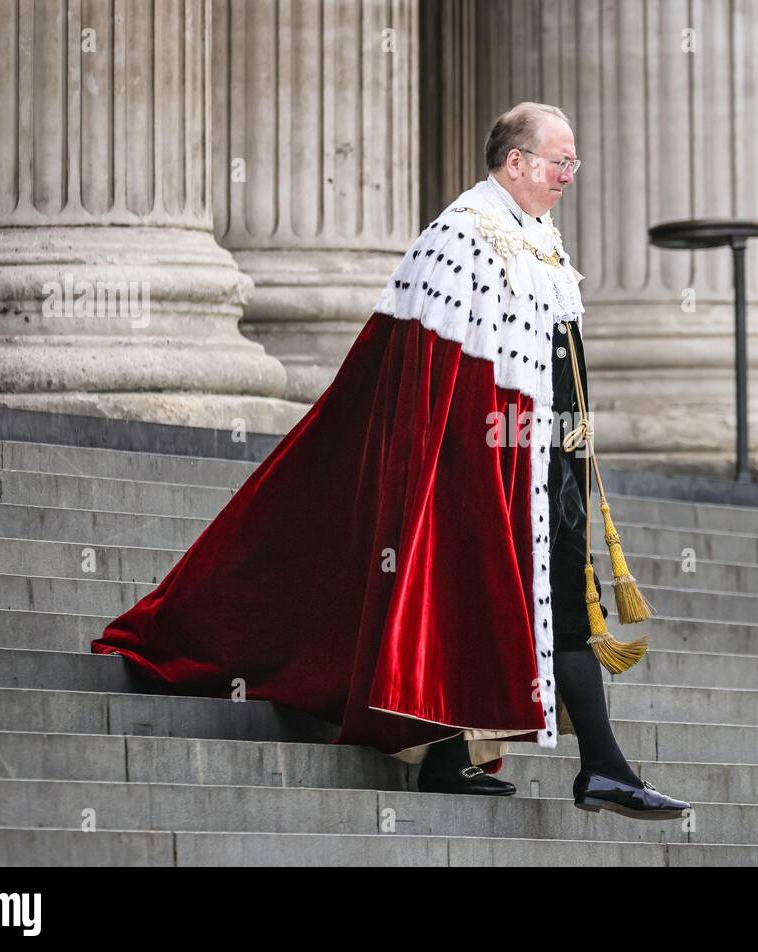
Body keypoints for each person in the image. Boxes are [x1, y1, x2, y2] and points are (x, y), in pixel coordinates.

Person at [92, 101, 689, 821]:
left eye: (573, 163)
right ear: (516, 162)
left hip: (542, 465)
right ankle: (602, 768)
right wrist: (468, 469)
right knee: (534, 602)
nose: (569, 174)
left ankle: (461, 757)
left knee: (553, 602)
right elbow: (430, 373)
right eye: (560, 161)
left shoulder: (540, 240)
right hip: (485, 466)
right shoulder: (464, 233)